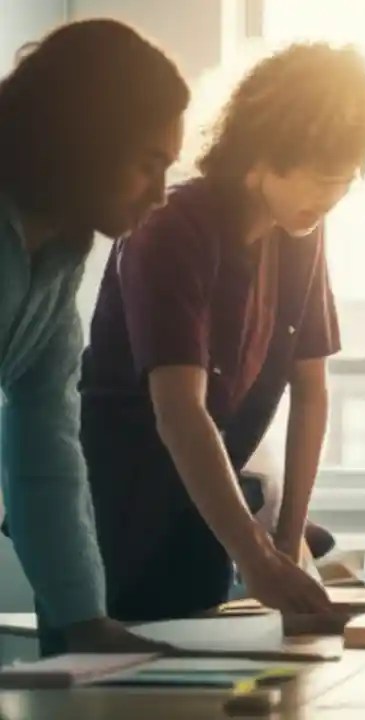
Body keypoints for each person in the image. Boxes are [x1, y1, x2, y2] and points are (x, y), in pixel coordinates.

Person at [78, 42, 365, 621]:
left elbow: (312, 389)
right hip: (121, 504)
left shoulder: (301, 232)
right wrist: (254, 555)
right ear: (261, 155)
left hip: (207, 504)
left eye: (343, 183)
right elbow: (180, 413)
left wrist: (288, 541)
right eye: (321, 180)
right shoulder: (171, 230)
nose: (329, 200)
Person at [0, 19, 188, 654]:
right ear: (87, 139)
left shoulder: (58, 253)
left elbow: (45, 452)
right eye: (148, 164)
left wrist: (87, 622)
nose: (162, 194)